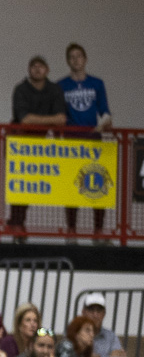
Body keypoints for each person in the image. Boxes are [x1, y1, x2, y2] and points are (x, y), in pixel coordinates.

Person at [7, 56, 67, 238]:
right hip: (20, 143)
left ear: (47, 70)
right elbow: (25, 120)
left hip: (42, 145)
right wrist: (50, 120)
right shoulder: (21, 89)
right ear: (29, 69)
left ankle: (17, 222)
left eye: (41, 66)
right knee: (20, 183)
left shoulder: (54, 89)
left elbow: (62, 119)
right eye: (33, 66)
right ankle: (17, 223)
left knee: (35, 185)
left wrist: (37, 120)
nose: (37, 69)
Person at [58, 44, 110, 239]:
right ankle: (71, 229)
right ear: (68, 61)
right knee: (72, 185)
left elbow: (105, 111)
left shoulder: (97, 83)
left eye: (79, 56)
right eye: (72, 57)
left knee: (97, 182)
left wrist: (103, 123)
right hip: (71, 141)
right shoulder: (61, 85)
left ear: (85, 59)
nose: (76, 60)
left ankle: (98, 229)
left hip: (93, 139)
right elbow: (59, 115)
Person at [79, 292, 126, 357]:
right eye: (91, 310)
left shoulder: (111, 337)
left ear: (104, 314)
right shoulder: (74, 333)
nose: (95, 315)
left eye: (99, 310)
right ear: (83, 312)